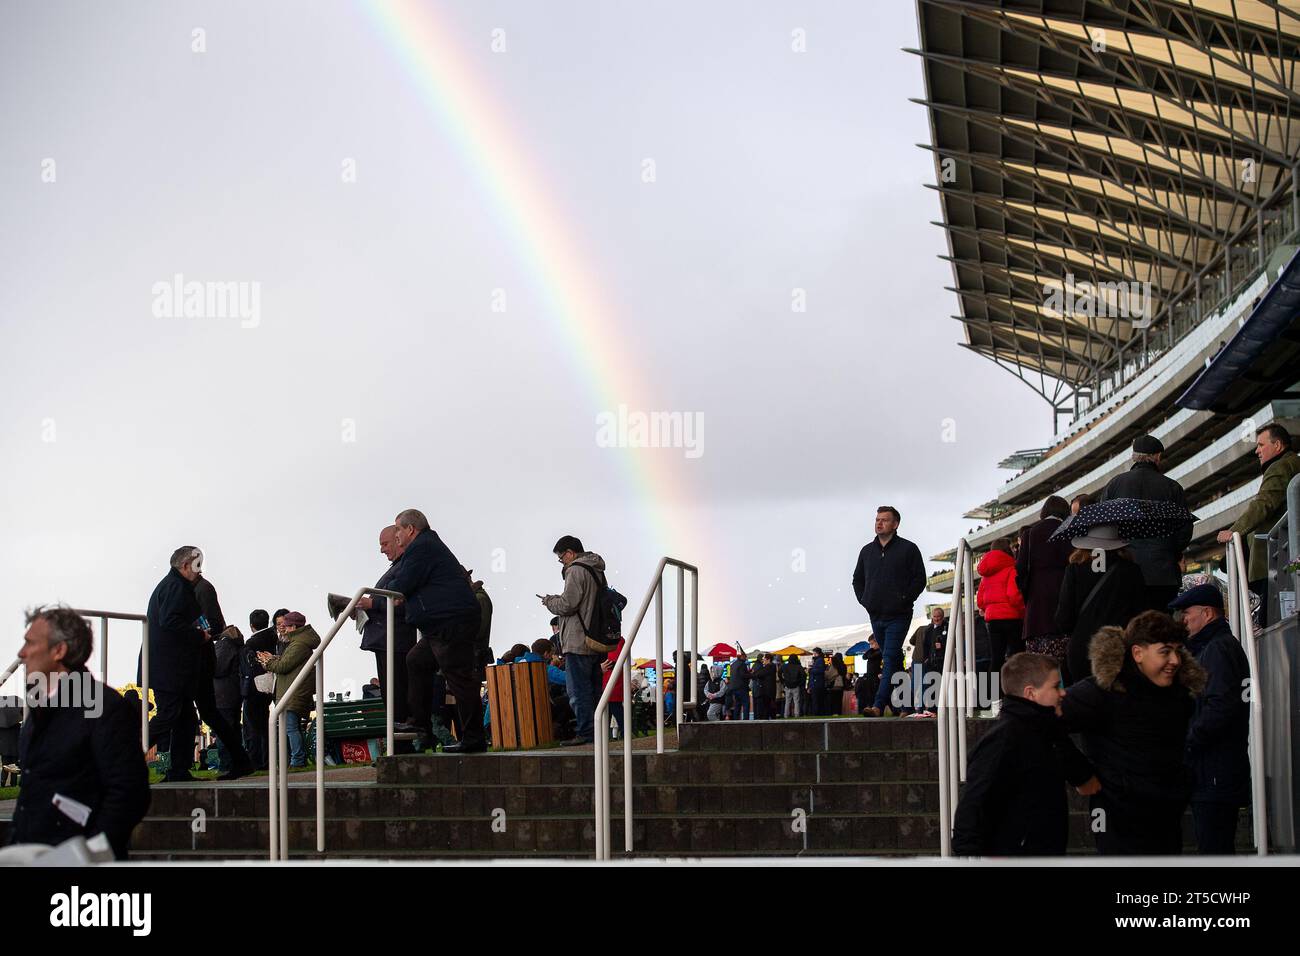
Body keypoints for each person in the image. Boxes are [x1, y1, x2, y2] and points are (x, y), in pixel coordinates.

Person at [8, 607, 150, 860]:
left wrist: (87, 853)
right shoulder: (41, 706)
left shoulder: (105, 708)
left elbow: (129, 793)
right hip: (32, 853)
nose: (21, 653)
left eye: (30, 643)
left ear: (59, 651)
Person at [1060, 611, 1206, 855]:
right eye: (1165, 651)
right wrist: (1080, 774)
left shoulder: (1178, 694)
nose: (1175, 660)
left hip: (1167, 817)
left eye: (1178, 651)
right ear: (1138, 653)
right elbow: (1044, 722)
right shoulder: (1102, 692)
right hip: (1120, 822)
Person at [952, 652, 1098, 856]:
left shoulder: (1049, 732)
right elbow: (973, 804)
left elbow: (1086, 782)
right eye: (1056, 686)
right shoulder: (1004, 739)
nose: (1063, 693)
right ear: (1031, 693)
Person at [143, 546, 252, 781]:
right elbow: (199, 623)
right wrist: (200, 636)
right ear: (186, 566)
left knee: (185, 716)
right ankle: (135, 759)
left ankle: (178, 770)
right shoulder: (185, 588)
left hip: (179, 665)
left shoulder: (177, 587)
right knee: (179, 714)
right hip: (180, 666)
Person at [388, 509, 485, 754]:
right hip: (439, 624)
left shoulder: (421, 547)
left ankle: (473, 738)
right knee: (417, 661)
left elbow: (403, 584)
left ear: (411, 529)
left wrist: (391, 592)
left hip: (449, 621)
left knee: (459, 677)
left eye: (398, 528)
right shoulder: (425, 546)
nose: (395, 534)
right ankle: (421, 725)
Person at [1172, 584, 1250, 854]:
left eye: (1187, 613)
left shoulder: (1217, 649)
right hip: (1214, 771)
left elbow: (1220, 707)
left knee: (1215, 849)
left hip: (1214, 772)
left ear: (1207, 613)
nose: (1184, 620)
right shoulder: (1215, 647)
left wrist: (1189, 741)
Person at [1217, 424, 1300, 627]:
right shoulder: (1292, 464)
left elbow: (1264, 503)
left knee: (1269, 620)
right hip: (1282, 556)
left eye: (1261, 444)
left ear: (1278, 445)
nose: (1257, 450)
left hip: (1274, 560)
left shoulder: (1280, 467)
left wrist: (1234, 530)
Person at [1100, 435, 1193, 612]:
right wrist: (1169, 551)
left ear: (1134, 456)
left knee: (1130, 630)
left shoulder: (1115, 485)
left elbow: (1103, 529)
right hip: (1162, 574)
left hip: (1123, 575)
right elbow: (1184, 530)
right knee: (1161, 629)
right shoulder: (1171, 487)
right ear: (1157, 457)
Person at [852, 506, 927, 716]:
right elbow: (857, 579)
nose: (879, 523)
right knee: (893, 660)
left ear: (895, 524)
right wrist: (865, 600)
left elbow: (920, 579)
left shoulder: (908, 549)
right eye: (877, 519)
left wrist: (905, 599)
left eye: (884, 520)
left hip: (899, 615)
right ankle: (907, 706)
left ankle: (878, 704)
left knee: (889, 656)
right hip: (876, 614)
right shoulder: (867, 551)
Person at [541, 534, 610, 746]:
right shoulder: (596, 569)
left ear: (570, 553)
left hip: (578, 640)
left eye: (561, 558)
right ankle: (599, 733)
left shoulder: (576, 570)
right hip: (595, 638)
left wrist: (550, 601)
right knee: (594, 690)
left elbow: (567, 605)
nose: (562, 562)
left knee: (578, 691)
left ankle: (586, 733)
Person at [1055, 526, 1146, 686]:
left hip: (1082, 650)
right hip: (1118, 650)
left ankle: (994, 697)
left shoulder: (1074, 570)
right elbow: (1140, 617)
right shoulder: (1131, 571)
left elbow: (1064, 620)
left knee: (1084, 703)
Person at [356, 525, 417, 728]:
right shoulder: (397, 568)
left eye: (385, 544)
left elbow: (406, 603)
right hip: (386, 640)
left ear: (398, 540)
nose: (382, 550)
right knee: (391, 694)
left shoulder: (405, 568)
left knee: (396, 693)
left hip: (395, 641)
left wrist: (372, 604)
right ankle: (398, 742)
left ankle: (401, 745)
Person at [257, 612, 321, 768]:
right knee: (293, 727)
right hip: (293, 691)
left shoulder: (298, 644)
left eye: (285, 626)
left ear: (293, 626)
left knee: (291, 728)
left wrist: (268, 662)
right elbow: (287, 663)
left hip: (291, 692)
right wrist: (274, 658)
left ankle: (297, 760)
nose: (283, 629)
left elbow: (283, 666)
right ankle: (298, 759)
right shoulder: (300, 642)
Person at [1016, 496, 1073, 664]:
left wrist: (1028, 592)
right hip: (1063, 596)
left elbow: (1020, 569)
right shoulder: (1068, 530)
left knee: (1040, 667)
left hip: (1037, 607)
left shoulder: (1029, 534)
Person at [976, 538, 1025, 676]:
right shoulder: (1011, 568)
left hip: (992, 621)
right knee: (1018, 657)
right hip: (1012, 618)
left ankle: (993, 694)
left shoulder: (985, 575)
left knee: (996, 658)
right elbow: (1014, 596)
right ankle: (1017, 692)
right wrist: (1023, 611)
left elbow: (980, 601)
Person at [211, 624, 244, 772]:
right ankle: (237, 762)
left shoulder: (224, 644)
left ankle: (226, 764)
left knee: (223, 731)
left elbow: (218, 668)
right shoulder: (238, 645)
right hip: (234, 693)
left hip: (222, 695)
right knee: (234, 729)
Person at [906, 609, 946, 713]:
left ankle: (913, 707)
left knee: (916, 684)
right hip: (926, 660)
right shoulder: (931, 630)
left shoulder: (921, 629)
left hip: (917, 659)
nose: (936, 619)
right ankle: (921, 707)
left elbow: (911, 641)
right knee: (925, 684)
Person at [599, 635, 627, 738]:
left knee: (614, 709)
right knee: (614, 709)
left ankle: (624, 732)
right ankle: (623, 732)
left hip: (610, 680)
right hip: (611, 680)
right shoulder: (617, 640)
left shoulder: (615, 640)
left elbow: (612, 661)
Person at [749, 653, 778, 720]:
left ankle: (769, 720)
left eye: (764, 658)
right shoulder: (771, 666)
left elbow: (760, 674)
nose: (763, 660)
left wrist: (752, 674)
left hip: (768, 690)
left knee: (767, 707)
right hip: (770, 689)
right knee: (769, 707)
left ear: (768, 659)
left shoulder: (769, 666)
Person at [728, 653, 751, 721]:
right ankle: (746, 720)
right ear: (741, 656)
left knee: (737, 705)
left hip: (734, 688)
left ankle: (736, 720)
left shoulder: (733, 664)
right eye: (745, 656)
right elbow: (743, 675)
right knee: (746, 704)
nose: (746, 658)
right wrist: (750, 674)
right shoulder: (742, 664)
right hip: (742, 687)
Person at [807, 648, 826, 717]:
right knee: (817, 700)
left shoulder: (820, 660)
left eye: (814, 653)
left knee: (816, 700)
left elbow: (821, 670)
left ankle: (816, 713)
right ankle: (817, 713)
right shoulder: (818, 660)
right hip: (816, 683)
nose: (813, 654)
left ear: (817, 653)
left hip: (817, 683)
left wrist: (810, 670)